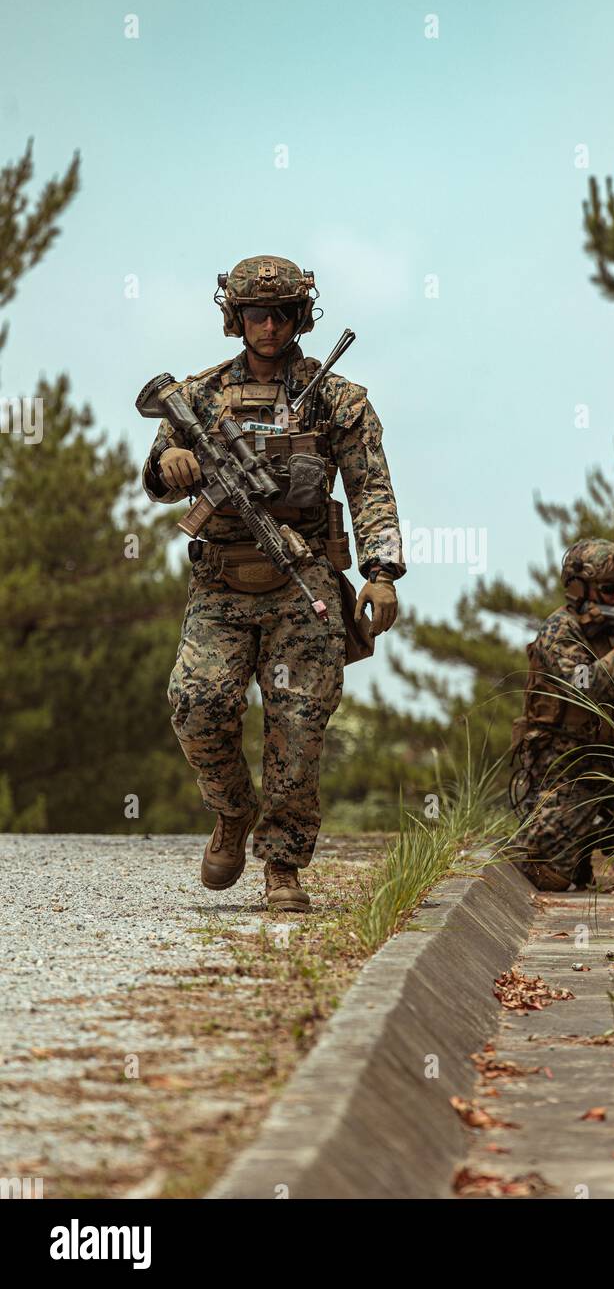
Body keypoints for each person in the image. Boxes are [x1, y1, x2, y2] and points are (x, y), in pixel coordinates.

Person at [142, 255, 404, 910]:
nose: (267, 324)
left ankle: (282, 867)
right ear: (235, 317)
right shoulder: (199, 396)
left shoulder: (339, 398)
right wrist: (171, 461)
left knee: (298, 727)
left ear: (299, 317)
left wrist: (380, 573)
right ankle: (233, 811)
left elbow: (370, 485)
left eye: (280, 313)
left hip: (302, 580)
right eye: (255, 313)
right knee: (197, 702)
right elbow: (155, 475)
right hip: (222, 585)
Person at [509, 538, 614, 890]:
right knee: (547, 871)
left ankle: (600, 846)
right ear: (578, 587)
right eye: (608, 588)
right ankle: (571, 842)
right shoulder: (560, 628)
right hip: (569, 765)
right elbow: (581, 686)